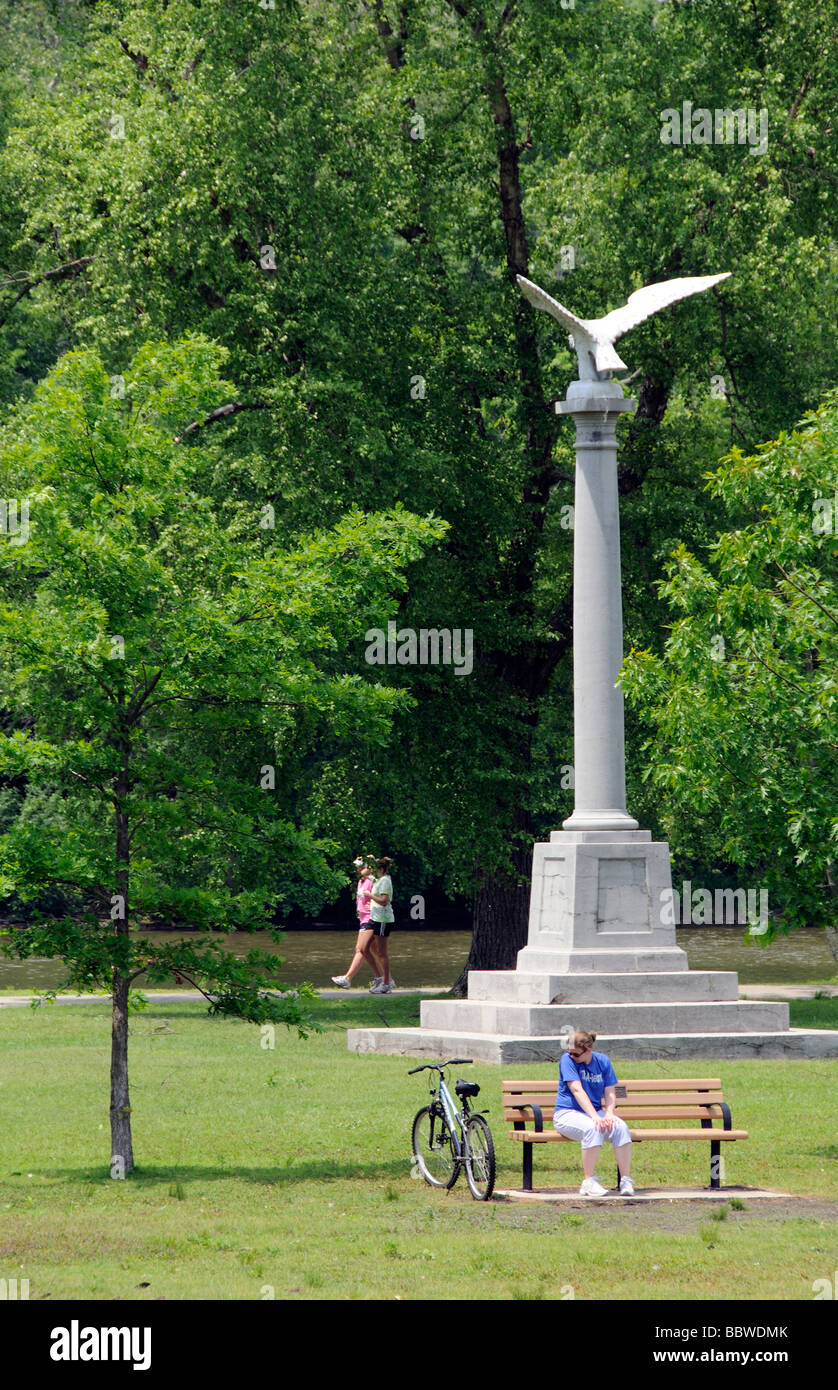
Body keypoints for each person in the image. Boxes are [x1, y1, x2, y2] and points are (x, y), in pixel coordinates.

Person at [553, 1028, 634, 1197]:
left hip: (594, 1111)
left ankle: (625, 1180)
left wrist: (609, 1113)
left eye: (576, 1054)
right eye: (569, 1052)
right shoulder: (567, 1060)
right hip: (567, 1113)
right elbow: (576, 1089)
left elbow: (610, 1091)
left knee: (620, 1127)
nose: (571, 1056)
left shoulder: (602, 1061)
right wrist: (596, 1117)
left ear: (588, 1050)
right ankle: (588, 1182)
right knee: (593, 1127)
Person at [331, 856, 386, 990]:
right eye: (358, 866)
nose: (358, 869)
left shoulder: (374, 880)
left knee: (360, 949)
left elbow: (384, 898)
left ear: (369, 868)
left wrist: (373, 904)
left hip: (372, 918)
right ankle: (387, 980)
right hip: (363, 918)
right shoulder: (361, 881)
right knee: (376, 952)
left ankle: (348, 978)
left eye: (361, 866)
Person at [367, 856, 395, 995]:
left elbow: (384, 901)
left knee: (382, 953)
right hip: (375, 919)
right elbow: (367, 876)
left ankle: (386, 983)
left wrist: (369, 896)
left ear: (382, 869)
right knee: (366, 947)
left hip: (383, 920)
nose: (372, 871)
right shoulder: (379, 880)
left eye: (375, 868)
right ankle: (382, 978)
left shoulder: (385, 881)